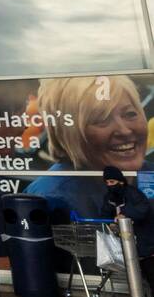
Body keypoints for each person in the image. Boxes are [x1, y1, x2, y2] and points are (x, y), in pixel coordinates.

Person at [25, 75, 154, 217]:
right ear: (68, 133)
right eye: (102, 119)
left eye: (130, 114)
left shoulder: (148, 174)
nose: (124, 130)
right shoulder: (53, 200)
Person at [100, 166, 154, 297]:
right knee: (137, 271)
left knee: (149, 269)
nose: (109, 185)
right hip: (126, 239)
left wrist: (125, 215)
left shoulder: (133, 193)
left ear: (121, 181)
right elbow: (104, 213)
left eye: (112, 182)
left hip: (142, 238)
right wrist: (110, 221)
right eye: (107, 183)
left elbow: (143, 210)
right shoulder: (109, 197)